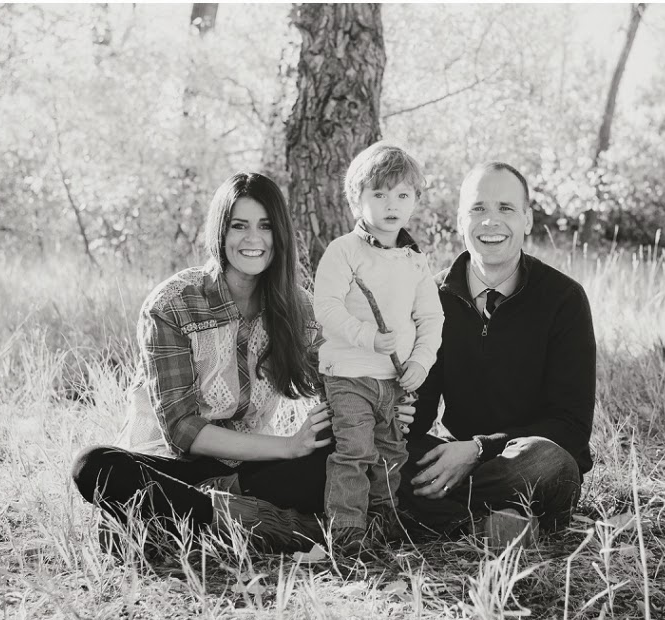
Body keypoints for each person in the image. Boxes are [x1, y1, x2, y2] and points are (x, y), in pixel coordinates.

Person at [71, 172, 415, 556]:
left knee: (352, 448)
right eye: (239, 226)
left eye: (265, 226)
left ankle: (174, 522)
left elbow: (340, 380)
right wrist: (289, 446)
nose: (253, 239)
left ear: (280, 234)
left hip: (245, 474)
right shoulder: (174, 304)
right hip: (166, 467)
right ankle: (260, 524)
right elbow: (182, 431)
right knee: (95, 466)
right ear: (221, 232)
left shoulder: (296, 307)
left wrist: (386, 403)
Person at [398, 161, 596, 543]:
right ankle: (487, 522)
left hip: (523, 464)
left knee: (550, 460)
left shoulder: (563, 300)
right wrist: (393, 405)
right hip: (453, 456)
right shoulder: (431, 298)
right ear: (460, 220)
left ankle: (435, 513)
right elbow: (420, 418)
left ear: (527, 219)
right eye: (478, 209)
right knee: (378, 452)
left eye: (505, 208)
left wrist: (477, 449)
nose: (491, 221)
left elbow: (571, 427)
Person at [313, 142, 444, 552]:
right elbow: (327, 307)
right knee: (355, 451)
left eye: (403, 195)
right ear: (357, 199)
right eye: (380, 194)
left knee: (390, 452)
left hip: (394, 376)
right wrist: (367, 337)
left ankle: (384, 520)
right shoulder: (344, 251)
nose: (392, 204)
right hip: (349, 375)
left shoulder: (414, 260)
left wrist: (420, 362)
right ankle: (347, 530)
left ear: (415, 201)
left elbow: (431, 319)